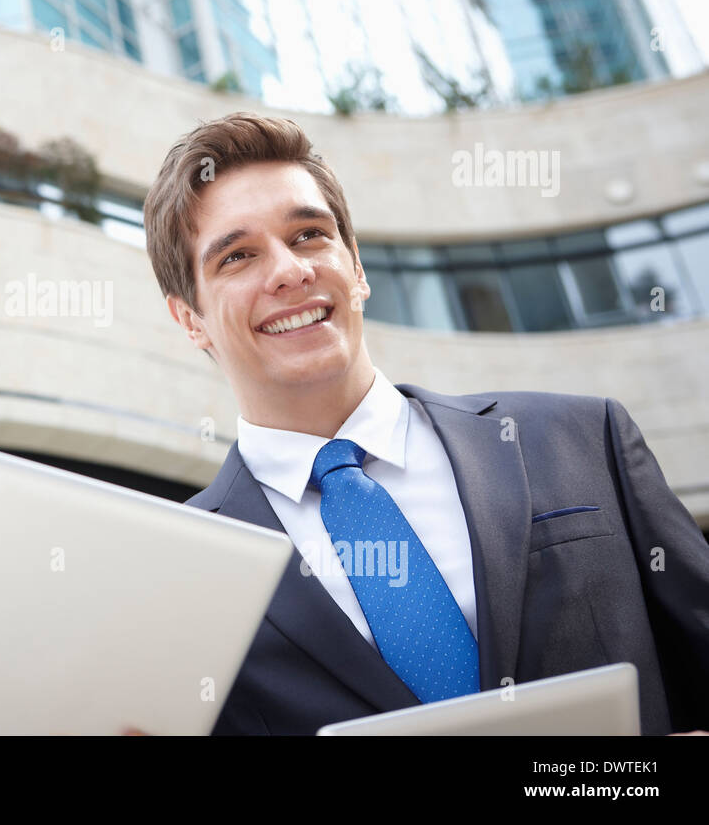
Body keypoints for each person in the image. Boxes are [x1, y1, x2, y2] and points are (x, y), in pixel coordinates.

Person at [142, 112, 709, 735]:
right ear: (189, 319)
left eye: (308, 235)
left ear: (355, 266)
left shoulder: (582, 439)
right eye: (239, 255)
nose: (290, 270)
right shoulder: (178, 573)